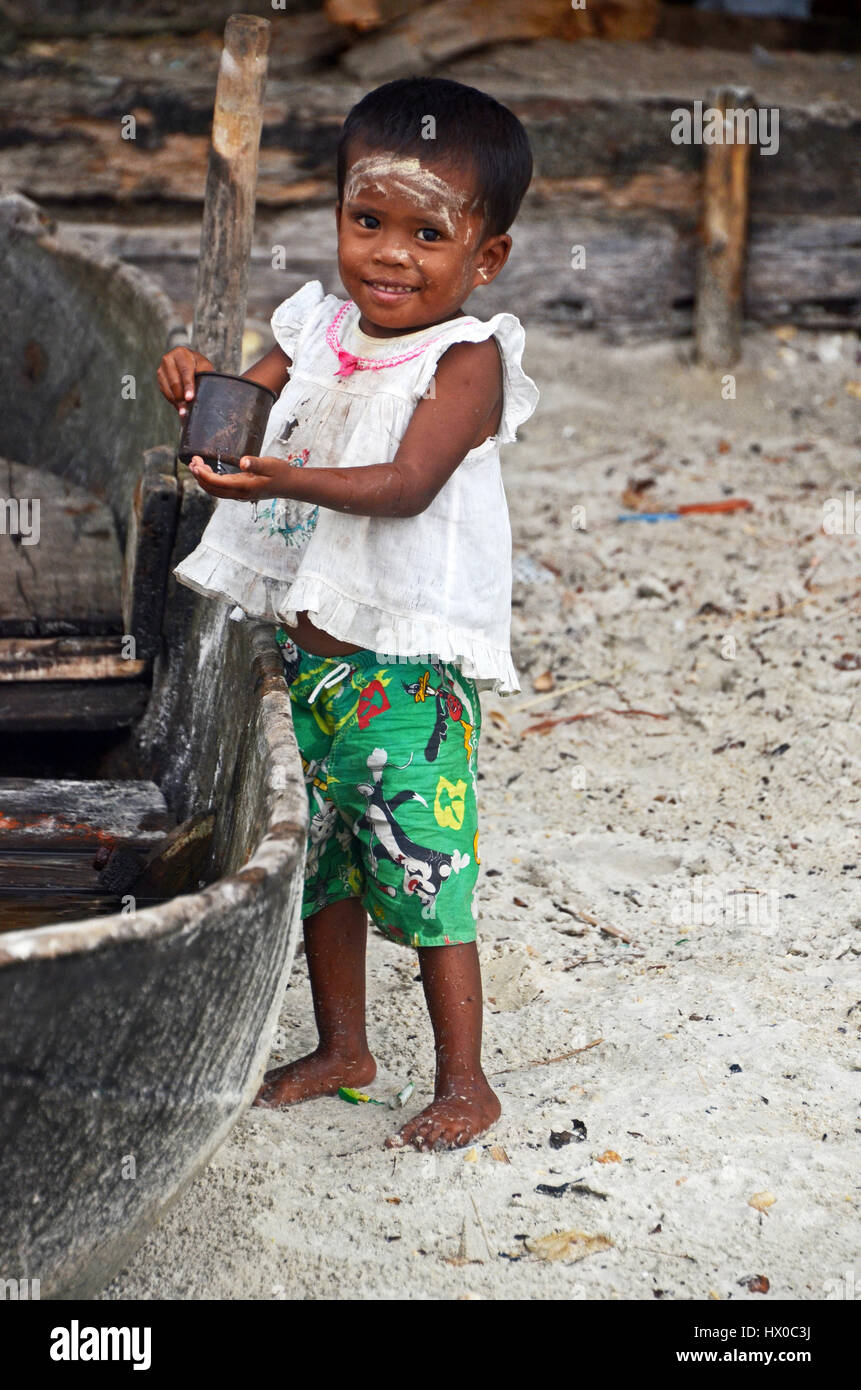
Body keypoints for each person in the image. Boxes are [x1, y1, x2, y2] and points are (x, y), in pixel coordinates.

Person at [157, 76, 539, 1152]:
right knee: (322, 857)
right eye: (366, 220)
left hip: (403, 675)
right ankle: (344, 1047)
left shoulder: (468, 362)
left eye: (427, 232)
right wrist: (197, 392)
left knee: (425, 868)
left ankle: (467, 1079)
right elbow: (246, 414)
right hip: (308, 661)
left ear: (486, 257)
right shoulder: (318, 330)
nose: (388, 253)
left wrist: (279, 483)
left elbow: (407, 483)